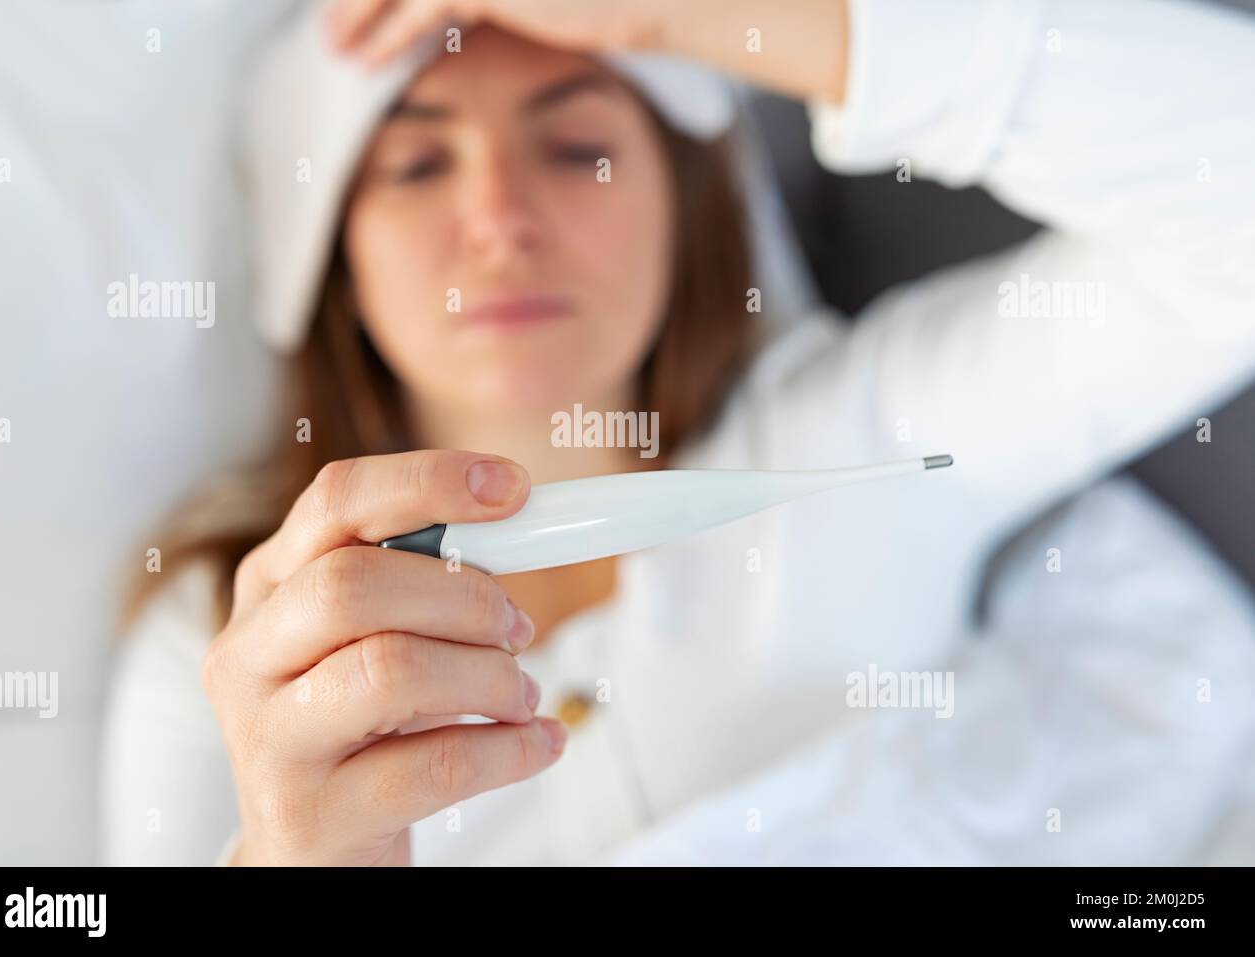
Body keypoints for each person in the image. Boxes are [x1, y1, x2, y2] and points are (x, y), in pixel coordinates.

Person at [102, 0, 1255, 866]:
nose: (499, 219)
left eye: (578, 147)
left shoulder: (858, 437)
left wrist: (706, 14)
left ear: (688, 203)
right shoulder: (228, 632)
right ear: (331, 262)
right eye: (414, 161)